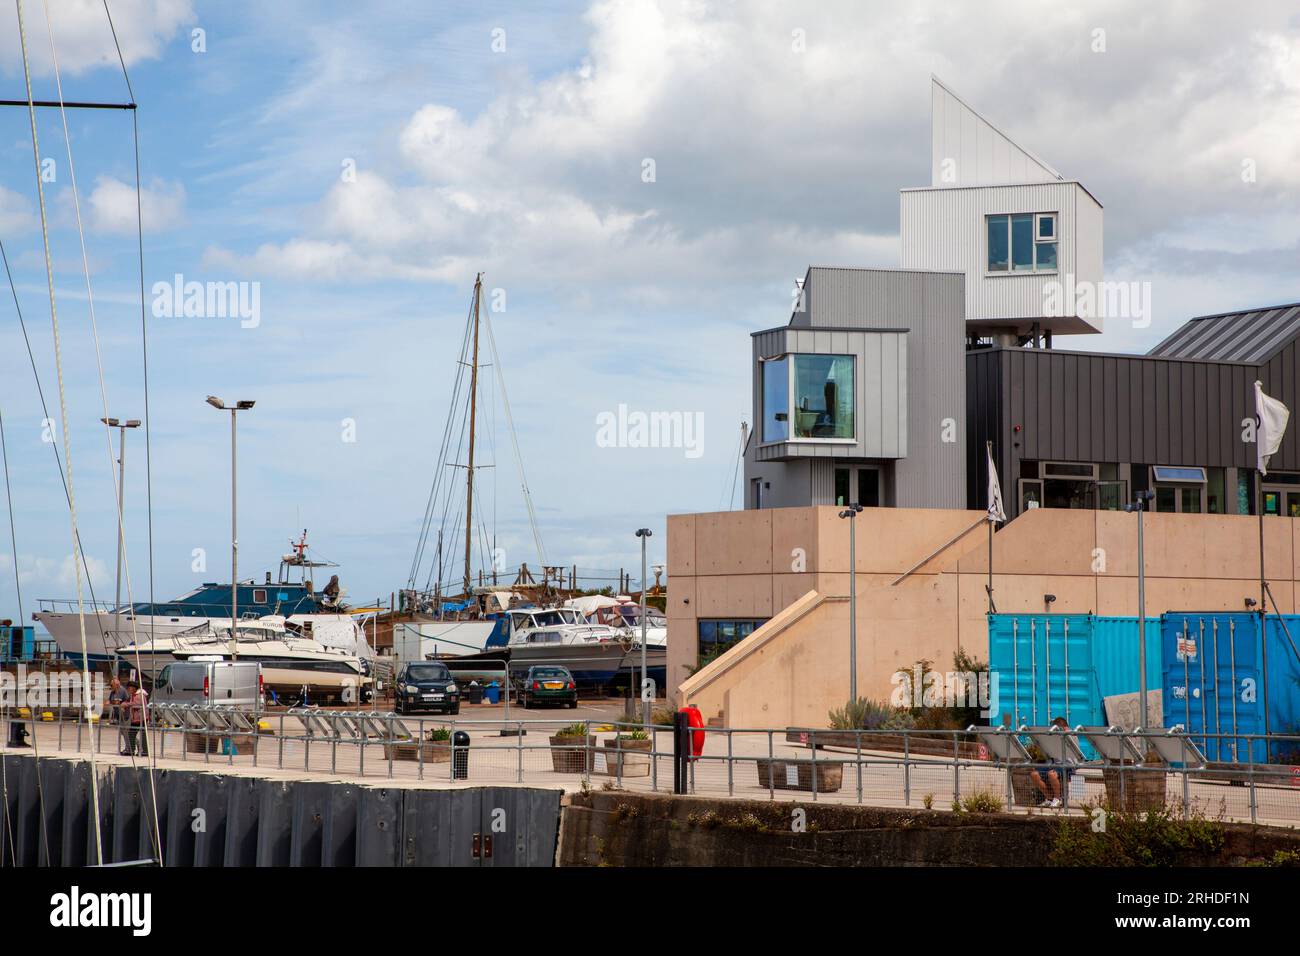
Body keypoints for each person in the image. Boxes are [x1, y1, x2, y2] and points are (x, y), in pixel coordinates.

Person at [1030, 716, 1074, 808]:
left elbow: (1073, 758)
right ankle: (1049, 798)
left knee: (1051, 774)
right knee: (1034, 774)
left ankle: (1058, 799)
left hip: (1067, 764)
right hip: (1053, 764)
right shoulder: (1053, 737)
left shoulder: (1070, 735)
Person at [107, 676, 130, 755]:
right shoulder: (112, 692)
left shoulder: (122, 691)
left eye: (112, 685)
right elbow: (110, 700)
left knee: (125, 732)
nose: (111, 687)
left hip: (124, 715)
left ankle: (130, 748)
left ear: (117, 685)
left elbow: (127, 700)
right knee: (122, 732)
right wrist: (108, 702)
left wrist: (123, 705)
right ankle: (130, 746)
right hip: (118, 715)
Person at [125, 680, 149, 757]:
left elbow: (137, 704)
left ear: (133, 688)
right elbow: (130, 701)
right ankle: (131, 750)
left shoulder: (140, 695)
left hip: (140, 718)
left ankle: (144, 751)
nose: (128, 690)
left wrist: (126, 705)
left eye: (129, 688)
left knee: (141, 734)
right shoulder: (133, 695)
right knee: (131, 734)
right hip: (135, 718)